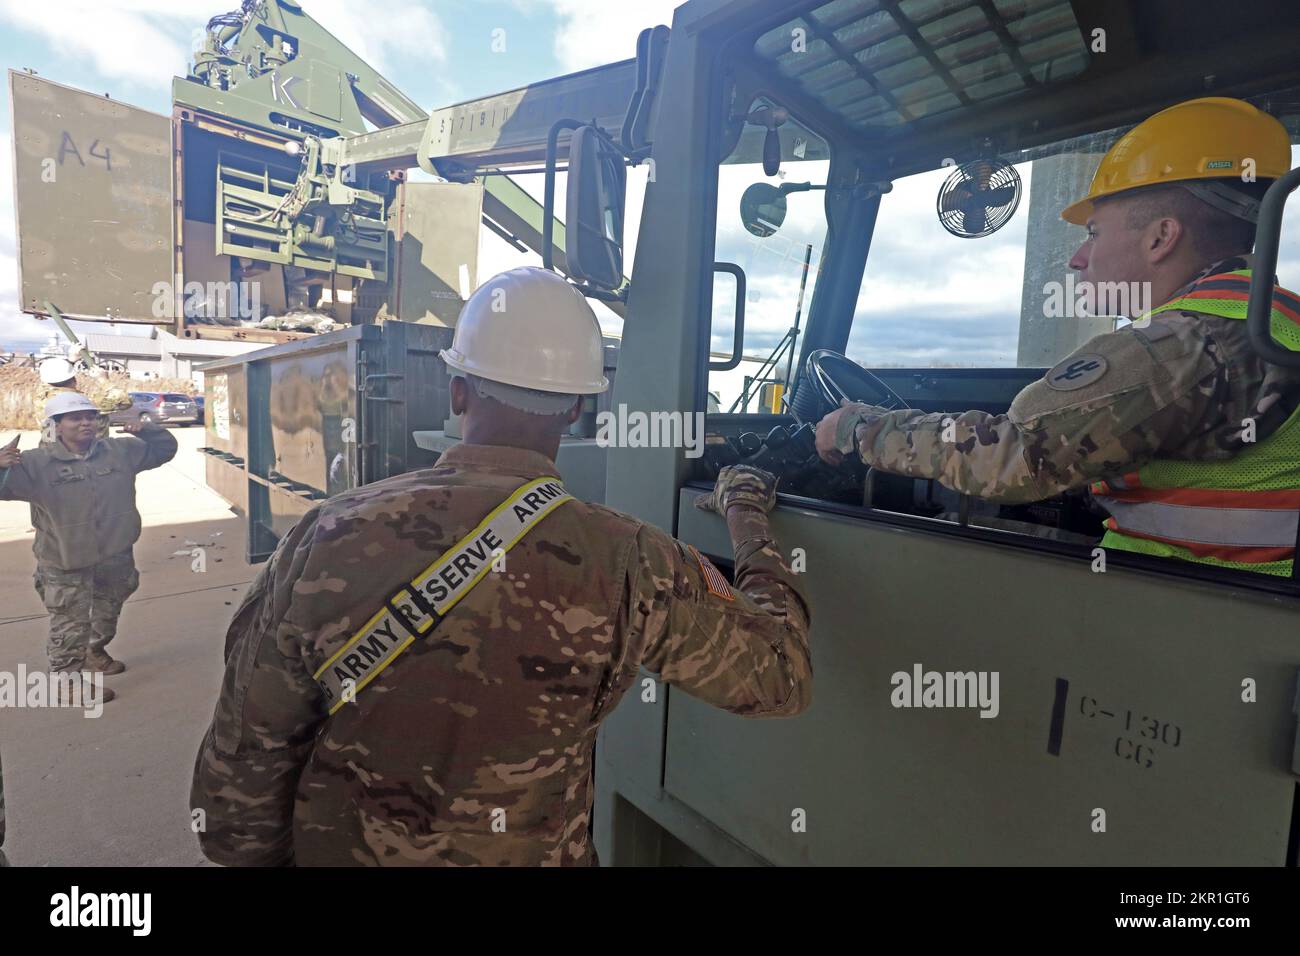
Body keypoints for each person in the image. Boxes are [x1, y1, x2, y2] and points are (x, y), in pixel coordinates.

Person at [191, 266, 812, 867]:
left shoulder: (325, 533)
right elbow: (779, 675)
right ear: (575, 409)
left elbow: (239, 785)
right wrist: (747, 516)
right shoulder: (631, 560)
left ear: (458, 391)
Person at [815, 96, 1300, 576]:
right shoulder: (1268, 320)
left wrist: (860, 429)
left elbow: (1013, 456)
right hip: (1221, 595)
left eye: (1093, 233)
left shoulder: (1181, 345)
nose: (1077, 259)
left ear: (1161, 237)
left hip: (1189, 616)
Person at [0, 392, 178, 695]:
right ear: (56, 425)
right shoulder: (33, 463)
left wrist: (148, 429)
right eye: (74, 418)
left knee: (108, 613)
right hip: (65, 559)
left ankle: (94, 652)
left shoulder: (120, 451)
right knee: (70, 622)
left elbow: (163, 451)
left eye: (90, 416)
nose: (85, 422)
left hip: (115, 555)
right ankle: (66, 683)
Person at [32, 357, 130, 444]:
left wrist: (71, 361)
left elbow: (49, 380)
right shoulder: (82, 402)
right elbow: (123, 401)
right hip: (84, 457)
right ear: (74, 379)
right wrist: (103, 380)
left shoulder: (40, 396)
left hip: (49, 454)